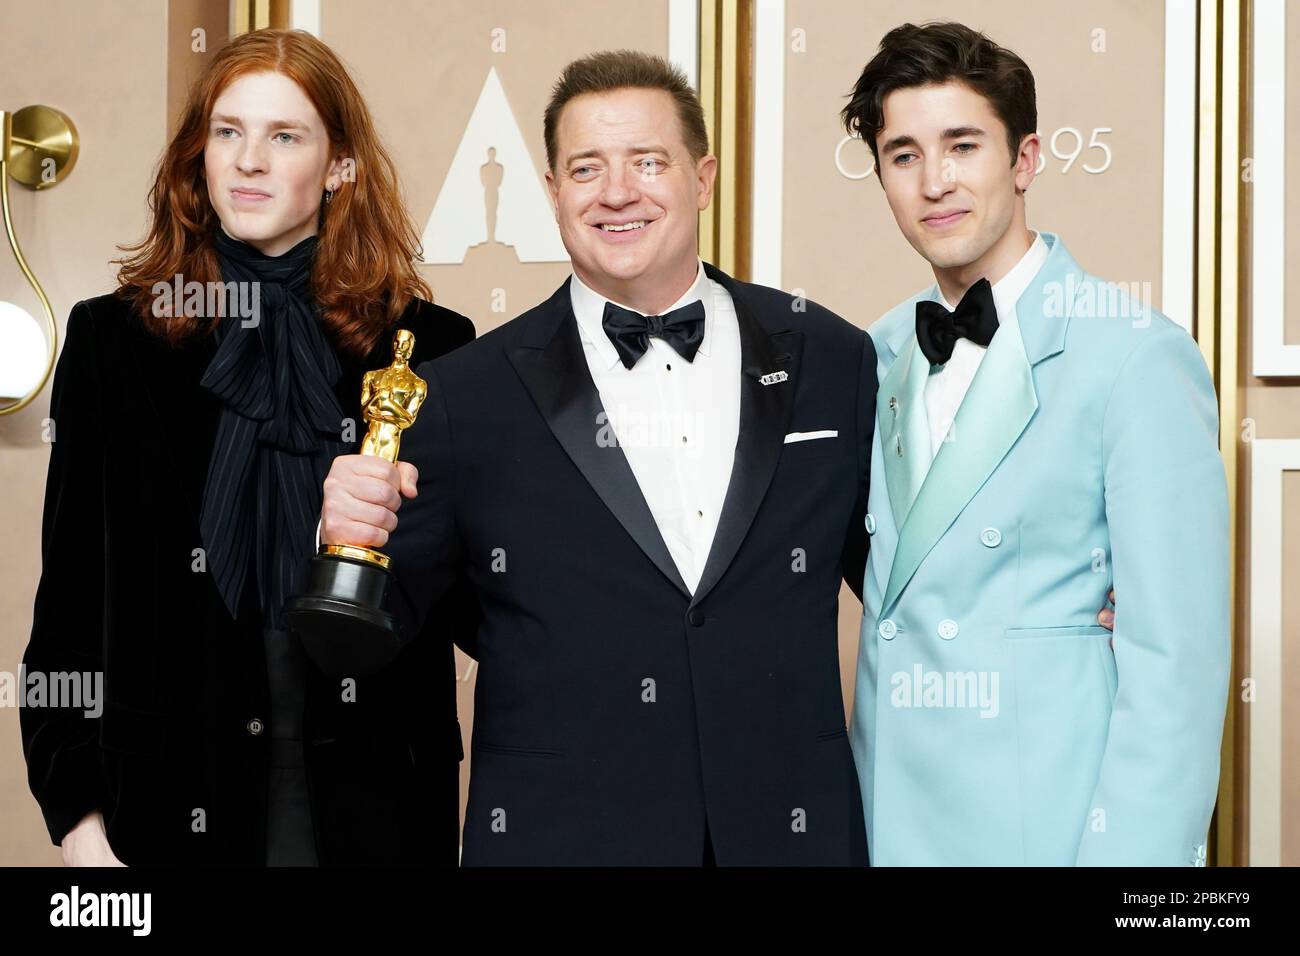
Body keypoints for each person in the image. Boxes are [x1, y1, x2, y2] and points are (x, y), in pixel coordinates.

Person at [317, 50, 876, 866]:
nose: (617, 192)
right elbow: (376, 637)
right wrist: (345, 540)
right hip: (560, 837)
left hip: (790, 832)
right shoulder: (460, 395)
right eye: (587, 168)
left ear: (703, 177)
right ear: (551, 192)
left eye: (649, 162)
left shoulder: (832, 356)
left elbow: (902, 575)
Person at [20, 28, 476, 867]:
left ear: (340, 165)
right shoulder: (110, 343)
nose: (249, 161)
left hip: (375, 810)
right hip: (160, 811)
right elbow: (71, 610)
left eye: (285, 135)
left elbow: (465, 599)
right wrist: (80, 827)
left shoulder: (429, 346)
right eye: (227, 132)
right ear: (199, 156)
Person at [841, 21, 1229, 865]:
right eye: (902, 154)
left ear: (1023, 160)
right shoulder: (872, 357)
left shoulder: (1136, 356)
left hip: (1050, 834)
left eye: (962, 145)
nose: (933, 181)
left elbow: (1178, 678)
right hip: (889, 826)